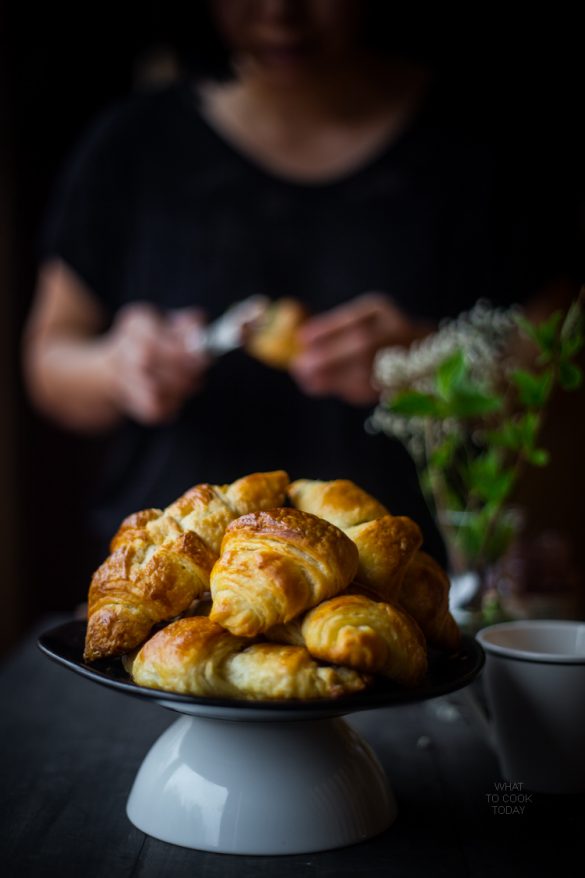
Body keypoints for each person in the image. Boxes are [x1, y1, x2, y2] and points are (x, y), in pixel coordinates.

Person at [22, 0, 577, 565]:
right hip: (170, 581)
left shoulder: (479, 144)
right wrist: (117, 366)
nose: (280, 11)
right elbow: (50, 359)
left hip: (406, 577)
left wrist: (427, 363)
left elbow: (557, 370)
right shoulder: (132, 145)